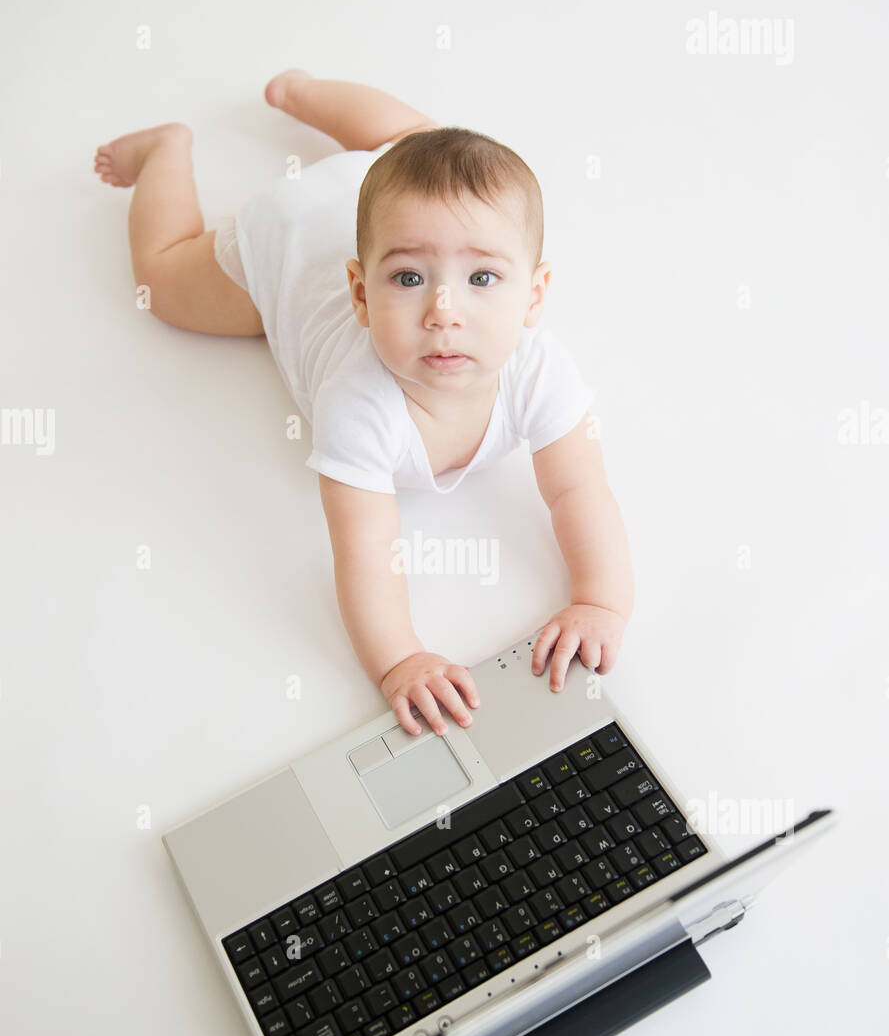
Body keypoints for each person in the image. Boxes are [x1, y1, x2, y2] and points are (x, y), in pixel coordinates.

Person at [93, 70, 634, 737]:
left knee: (417, 143)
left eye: (482, 278)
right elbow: (367, 549)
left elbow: (579, 489)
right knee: (162, 281)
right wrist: (399, 659)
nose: (443, 312)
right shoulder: (359, 403)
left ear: (534, 294)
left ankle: (304, 95)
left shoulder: (537, 364)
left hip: (387, 192)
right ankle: (165, 152)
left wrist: (598, 602)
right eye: (407, 279)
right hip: (287, 239)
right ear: (357, 291)